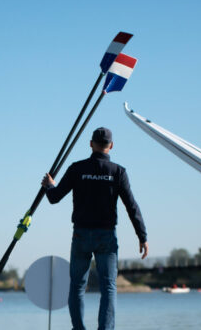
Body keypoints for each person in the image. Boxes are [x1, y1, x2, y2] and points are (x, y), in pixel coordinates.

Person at [42, 127, 148, 330]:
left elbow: (54, 198)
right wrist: (142, 236)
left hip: (81, 234)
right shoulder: (118, 172)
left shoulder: (77, 168)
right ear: (111, 146)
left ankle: (79, 328)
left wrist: (49, 186)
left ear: (91, 144)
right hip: (106, 237)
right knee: (108, 287)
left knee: (77, 286)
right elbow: (131, 206)